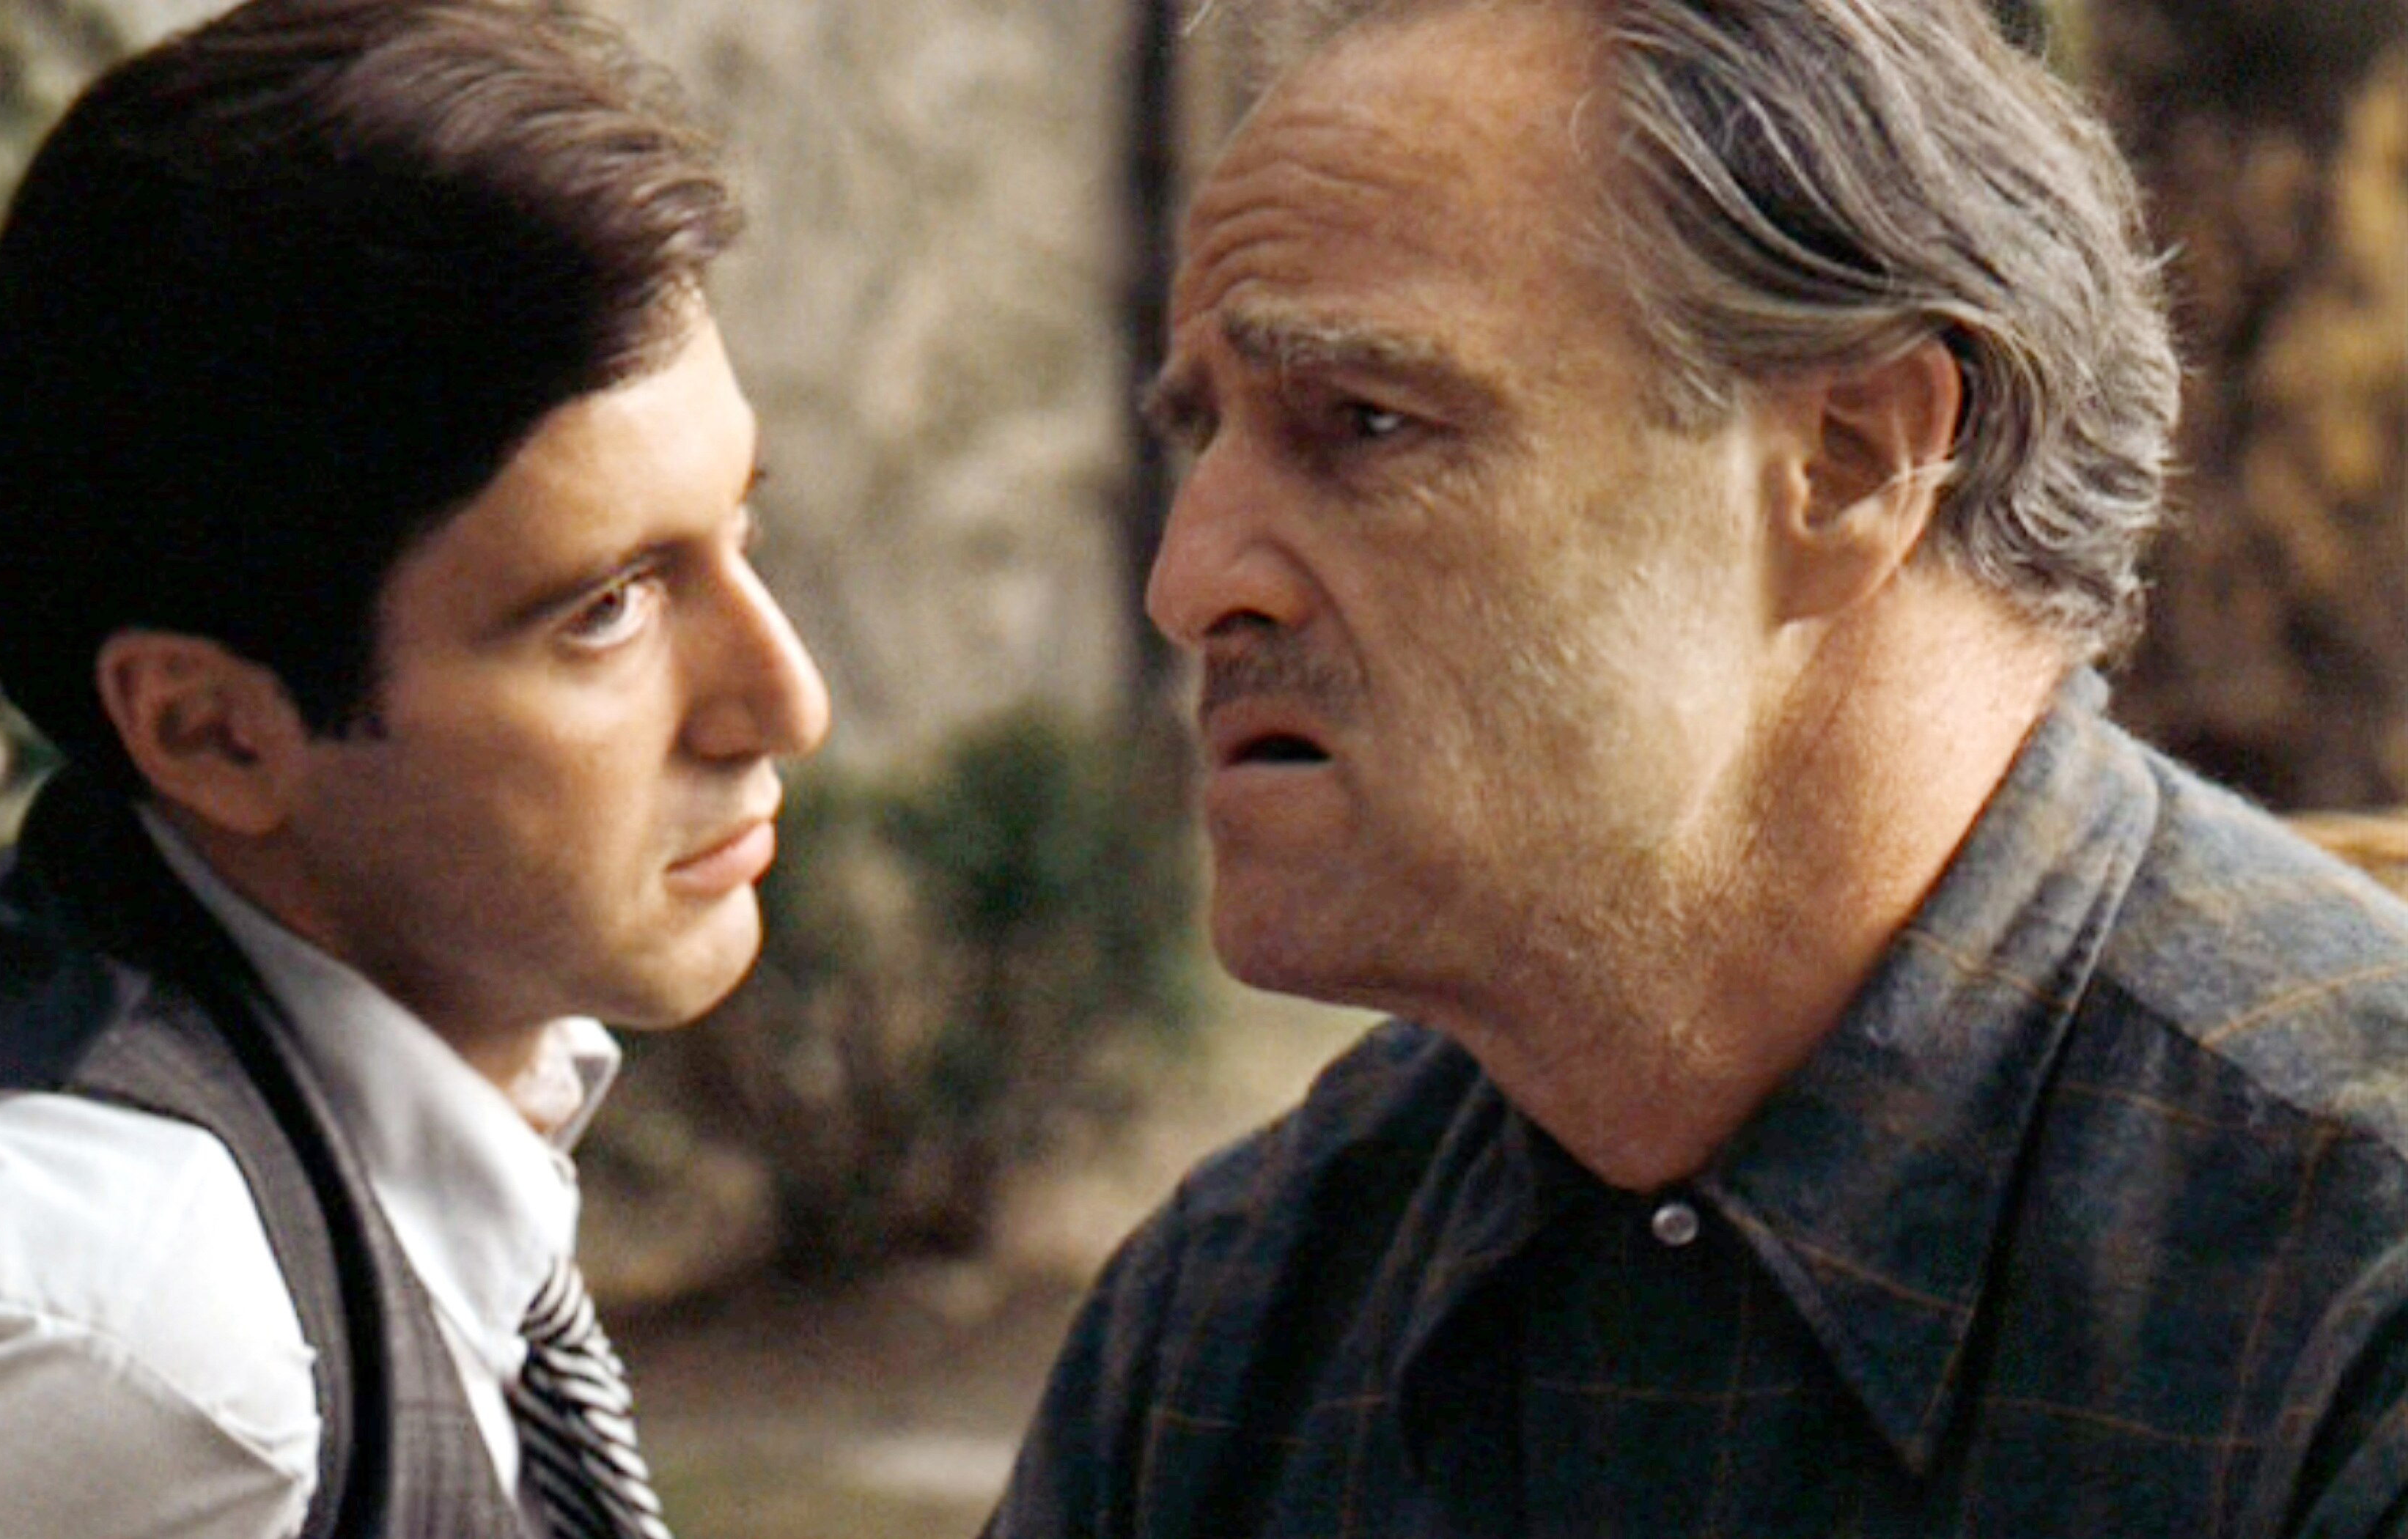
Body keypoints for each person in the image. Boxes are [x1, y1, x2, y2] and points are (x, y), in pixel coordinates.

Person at [985, 1, 2408, 1535]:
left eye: (1366, 423)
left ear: (1850, 461)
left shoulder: (2346, 1297)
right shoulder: (1234, 1318)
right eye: (1202, 441)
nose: (1191, 581)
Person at [0, 1, 828, 1535]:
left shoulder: (368, 1122)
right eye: (605, 609)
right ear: (213, 731)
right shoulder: (112, 1322)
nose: (785, 701)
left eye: (740, 529)